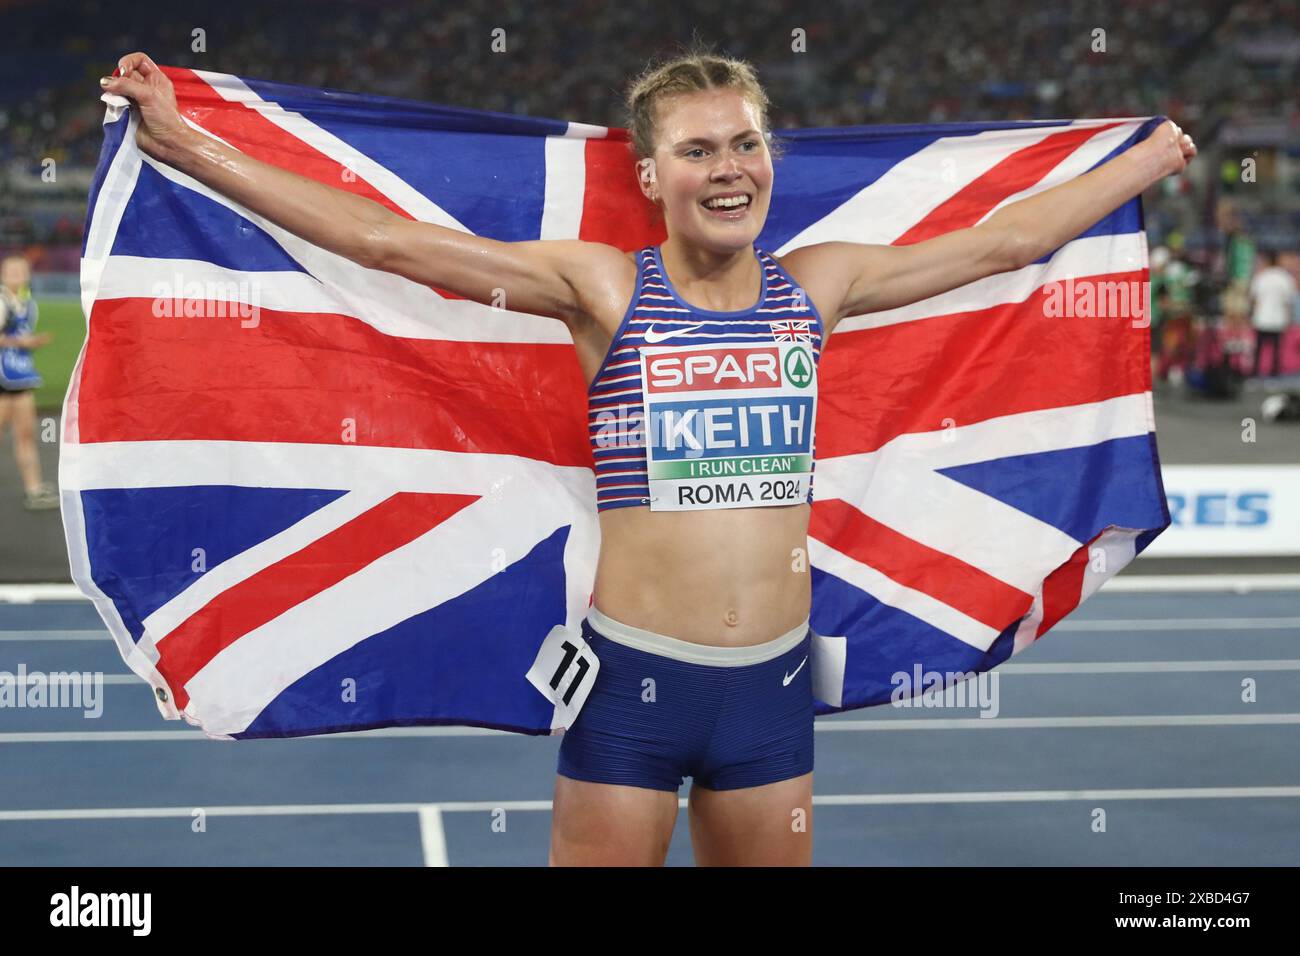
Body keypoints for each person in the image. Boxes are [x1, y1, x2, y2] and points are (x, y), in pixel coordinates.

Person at [101, 49, 1196, 866]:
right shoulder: (604, 288)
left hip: (773, 687)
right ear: (651, 172)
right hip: (631, 686)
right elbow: (389, 244)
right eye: (698, 148)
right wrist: (185, 141)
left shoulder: (818, 284)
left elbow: (1004, 241)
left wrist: (1149, 156)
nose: (729, 168)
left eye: (745, 142)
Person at [0, 254, 58, 510]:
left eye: (20, 270)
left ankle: (34, 489)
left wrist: (26, 345)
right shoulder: (2, 301)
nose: (16, 274)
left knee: (26, 435)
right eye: (11, 270)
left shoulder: (25, 302)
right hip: (2, 378)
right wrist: (26, 343)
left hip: (20, 375)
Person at [1247, 249, 1297, 379]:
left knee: (1259, 347)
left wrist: (1251, 315)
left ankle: (1255, 371)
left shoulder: (1261, 277)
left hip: (1262, 317)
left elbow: (1253, 299)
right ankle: (1274, 372)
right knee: (1276, 348)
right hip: (1277, 318)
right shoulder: (1285, 278)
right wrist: (1289, 318)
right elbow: (1288, 302)